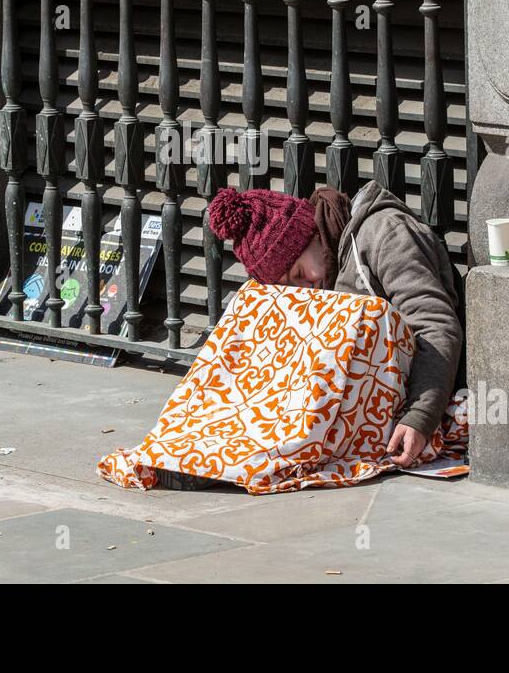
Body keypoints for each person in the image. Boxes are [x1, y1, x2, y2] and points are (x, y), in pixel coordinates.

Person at [146, 181, 463, 491]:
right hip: (326, 402)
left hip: (399, 395)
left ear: (312, 234)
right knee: (256, 308)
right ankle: (201, 448)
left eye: (299, 273)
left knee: (352, 318)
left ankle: (237, 462)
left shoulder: (387, 234)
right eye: (290, 284)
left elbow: (435, 327)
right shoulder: (319, 263)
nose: (305, 287)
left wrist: (420, 417)